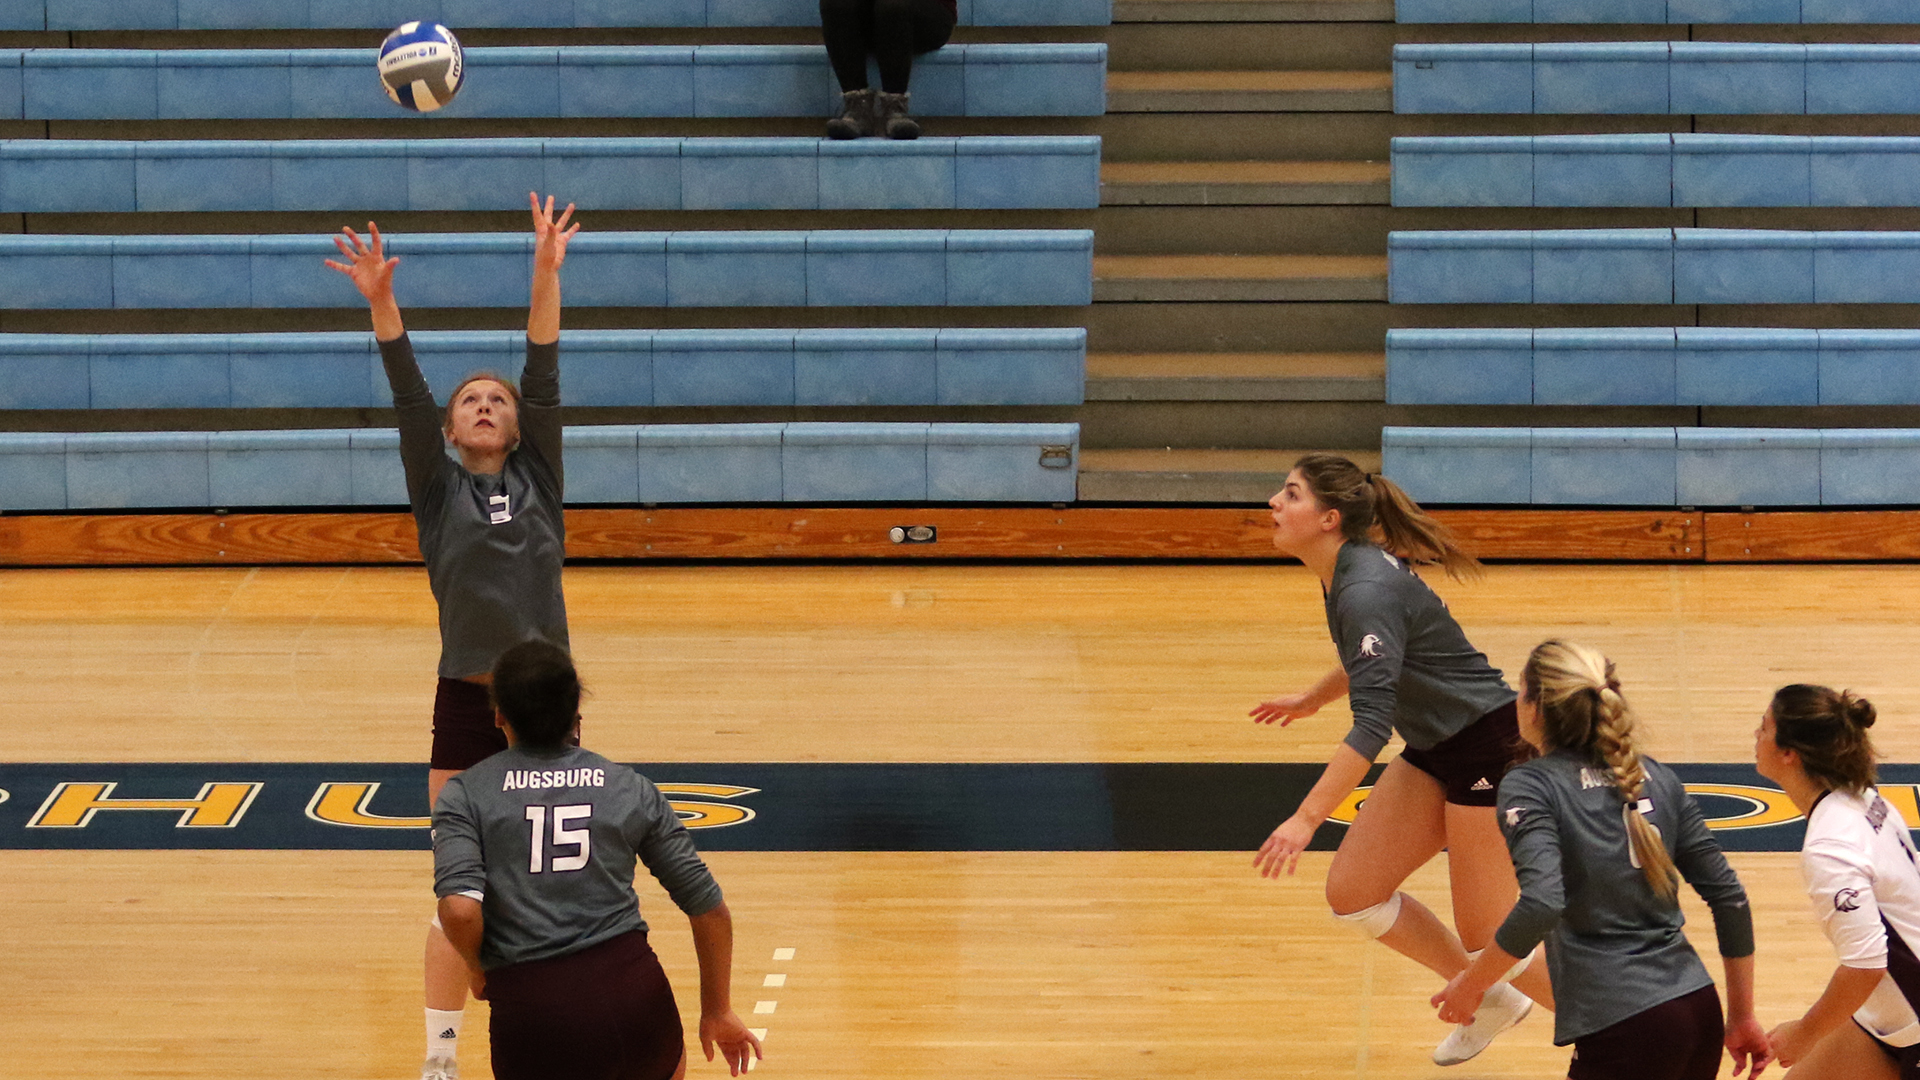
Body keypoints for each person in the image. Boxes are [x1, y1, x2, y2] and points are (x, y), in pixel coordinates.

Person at [326, 192, 579, 1080]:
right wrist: (380, 303)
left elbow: (540, 364)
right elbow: (408, 392)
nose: (481, 406)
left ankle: (544, 1037)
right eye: (469, 400)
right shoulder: (438, 492)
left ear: (516, 426)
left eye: (495, 401)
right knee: (457, 894)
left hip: (545, 705)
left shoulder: (540, 476)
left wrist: (545, 272)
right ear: (450, 428)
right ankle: (438, 1064)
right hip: (462, 702)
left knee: (543, 887)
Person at [1250, 452, 1552, 1066]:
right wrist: (1313, 697)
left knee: (1494, 937)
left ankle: (1626, 1024)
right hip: (1439, 744)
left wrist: (1306, 818)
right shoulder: (1345, 570)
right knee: (1356, 892)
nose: (1274, 505)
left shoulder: (1361, 585)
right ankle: (1486, 997)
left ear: (1329, 517)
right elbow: (1381, 656)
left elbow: (1371, 724)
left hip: (1488, 745)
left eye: (1291, 494)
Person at [1433, 640, 1772, 1080]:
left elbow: (1541, 903)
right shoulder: (1656, 777)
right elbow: (1730, 897)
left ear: (1535, 709)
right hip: (1698, 1010)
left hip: (1625, 1031)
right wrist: (1742, 1015)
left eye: (1520, 692)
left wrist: (1472, 984)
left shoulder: (1531, 785)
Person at [433, 640, 764, 1080]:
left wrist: (476, 968)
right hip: (635, 1004)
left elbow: (459, 910)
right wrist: (717, 1009)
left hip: (534, 1018)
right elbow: (709, 909)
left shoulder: (465, 794)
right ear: (577, 717)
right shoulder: (630, 787)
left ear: (498, 717)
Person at [1755, 684, 1920, 1079]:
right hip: (1888, 1014)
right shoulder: (1863, 797)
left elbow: (1865, 965)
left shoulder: (1831, 846)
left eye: (1763, 728)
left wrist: (1804, 1033)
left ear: (1789, 753)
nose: (1756, 736)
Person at [820, 0, 956, 140]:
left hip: (928, 11)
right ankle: (856, 104)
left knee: (892, 4)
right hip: (870, 16)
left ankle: (895, 105)